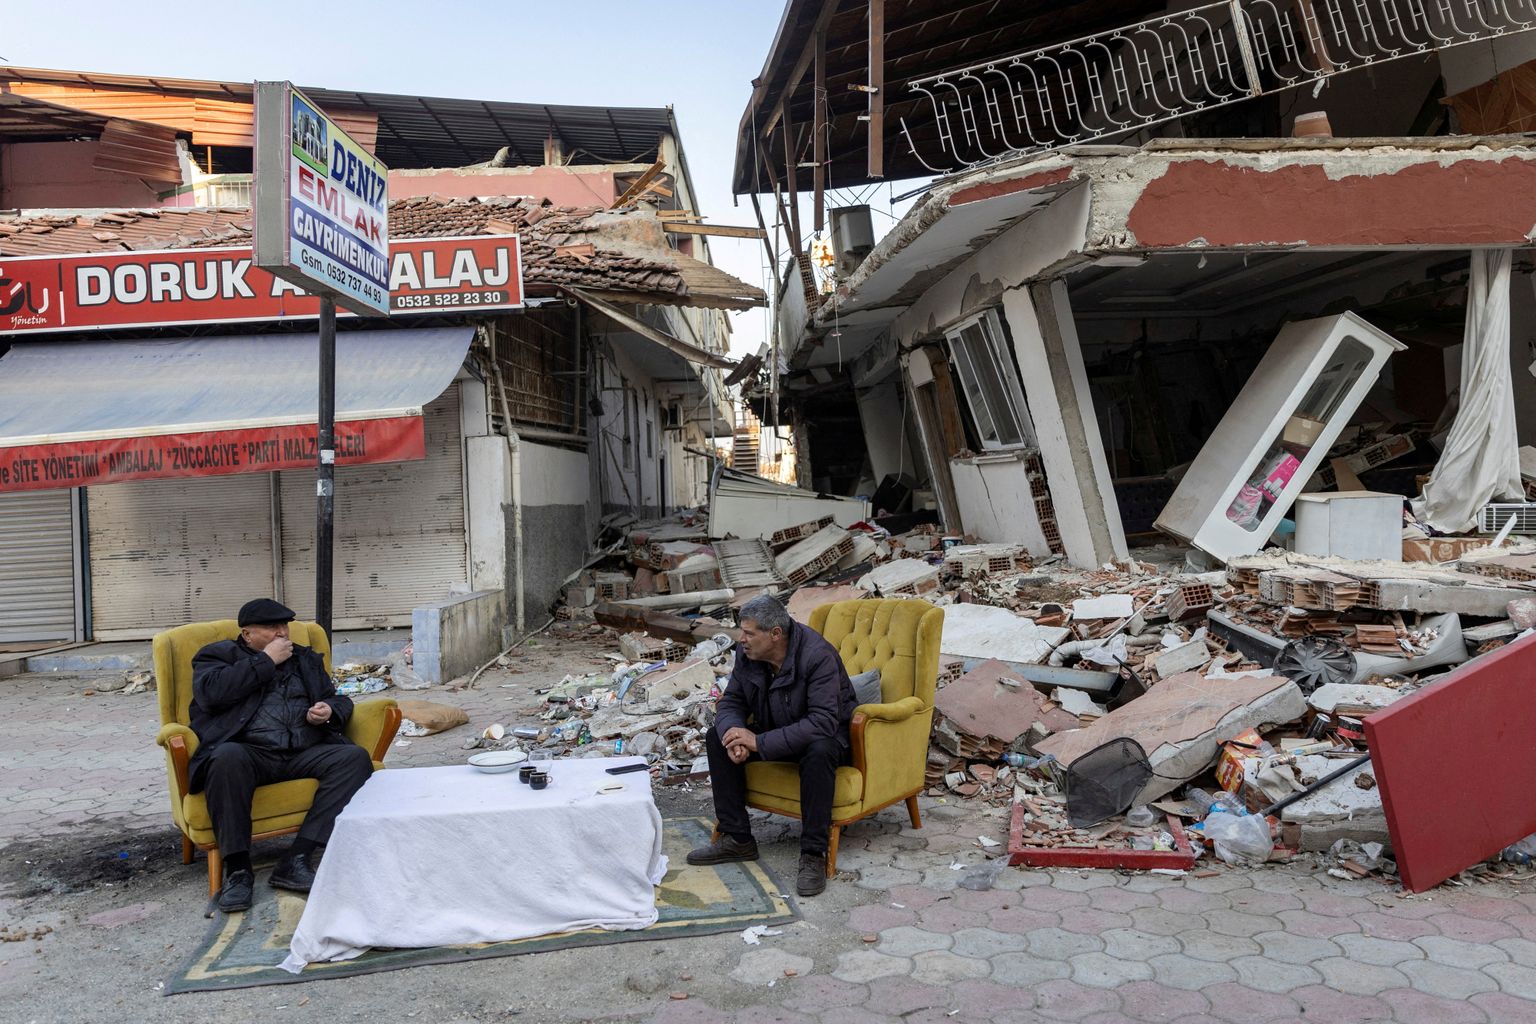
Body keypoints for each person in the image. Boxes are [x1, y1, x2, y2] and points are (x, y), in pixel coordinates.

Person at [189, 599, 373, 913]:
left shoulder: (304, 657)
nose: (282, 633)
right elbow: (211, 695)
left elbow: (335, 699)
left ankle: (297, 858)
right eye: (272, 627)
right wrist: (264, 661)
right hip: (251, 753)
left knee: (354, 758)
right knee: (225, 757)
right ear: (247, 634)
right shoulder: (217, 656)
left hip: (303, 751)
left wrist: (328, 712)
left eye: (285, 626)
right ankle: (237, 870)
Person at [686, 595, 857, 897]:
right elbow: (733, 700)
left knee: (819, 750)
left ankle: (813, 854)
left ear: (775, 634)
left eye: (749, 633)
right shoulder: (748, 655)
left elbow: (823, 722)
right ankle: (737, 837)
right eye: (742, 631)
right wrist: (735, 733)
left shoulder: (818, 656)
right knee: (717, 737)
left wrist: (758, 742)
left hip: (825, 739)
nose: (742, 639)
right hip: (775, 729)